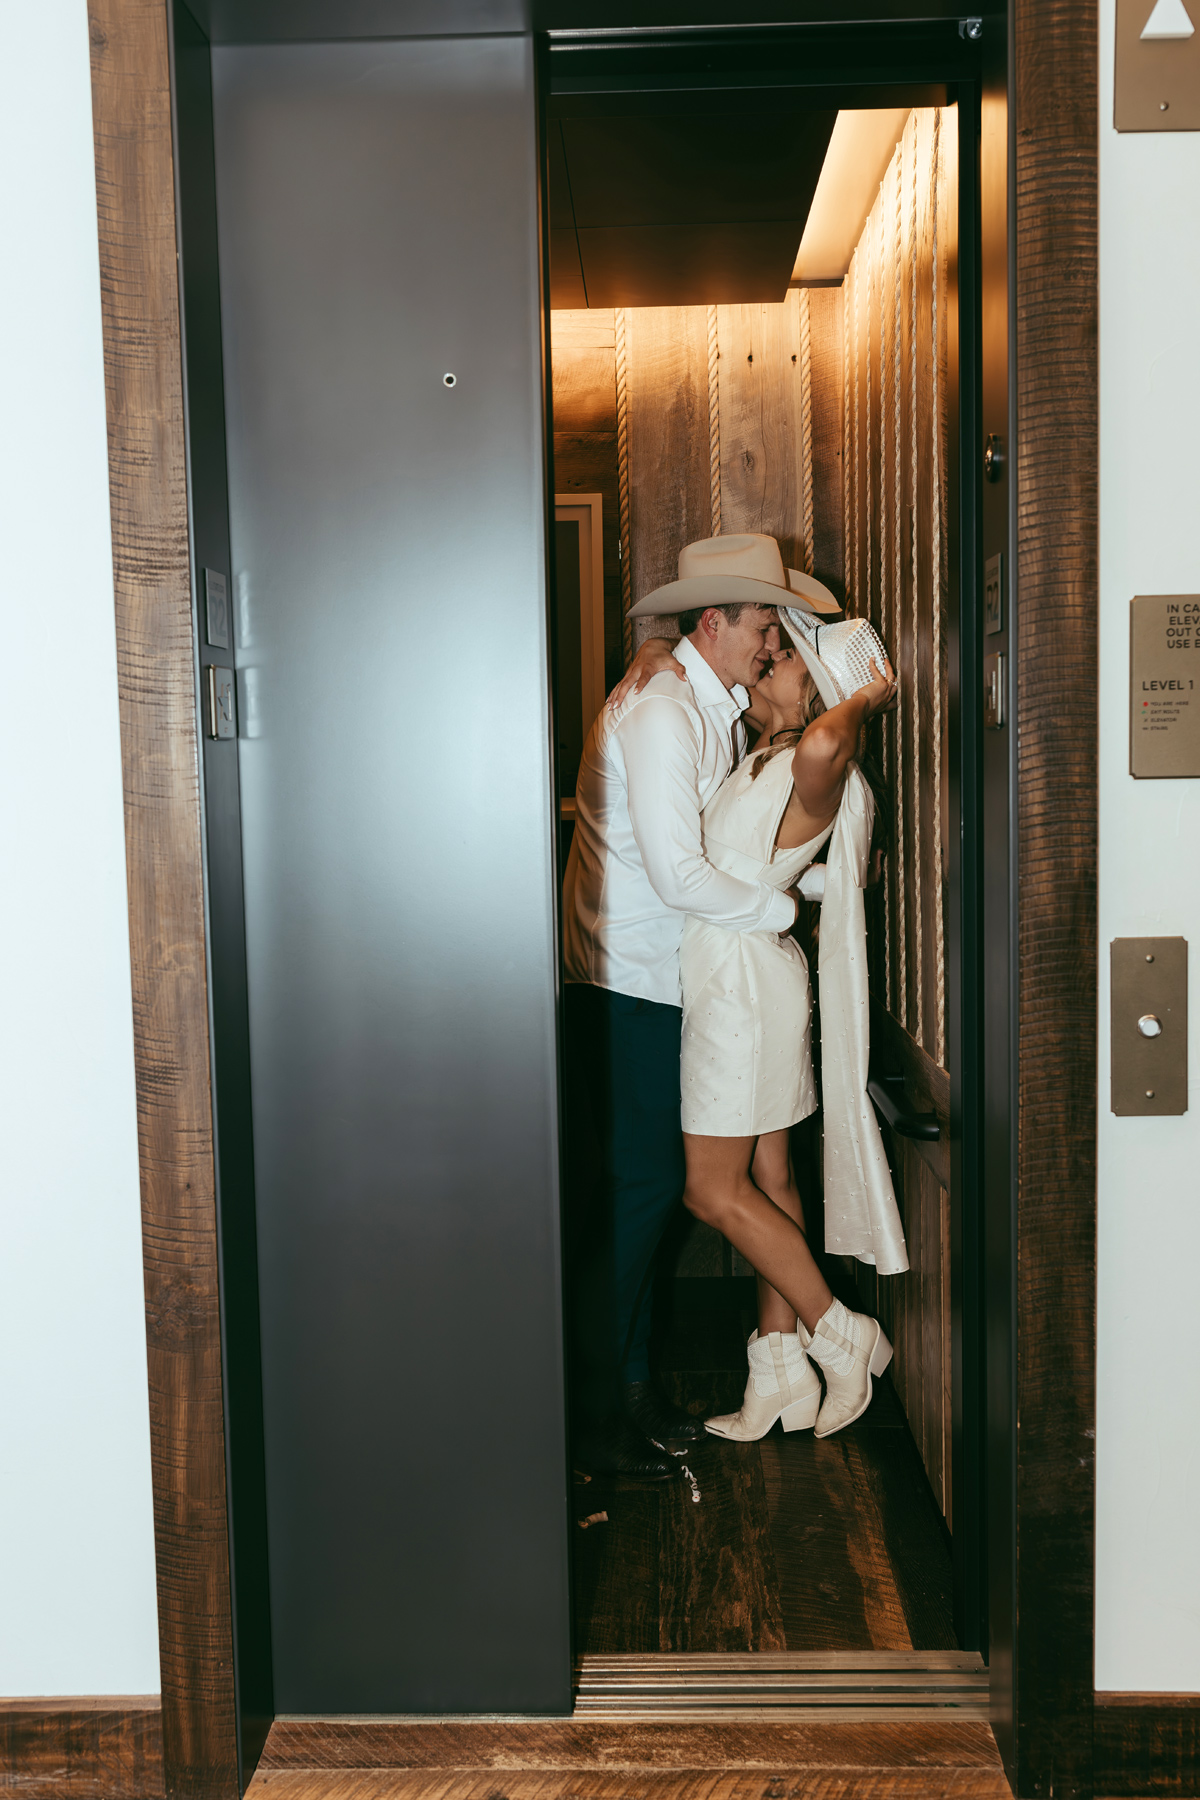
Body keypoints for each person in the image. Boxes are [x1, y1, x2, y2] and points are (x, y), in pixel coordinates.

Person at [561, 533, 839, 1478]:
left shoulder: (703, 704)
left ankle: (629, 1394)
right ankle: (593, 1413)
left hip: (669, 985)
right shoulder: (666, 714)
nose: (771, 643)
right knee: (642, 1194)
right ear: (713, 622)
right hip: (628, 984)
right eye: (764, 623)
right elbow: (681, 874)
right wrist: (780, 910)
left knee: (646, 1197)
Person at [620, 612, 908, 1442]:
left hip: (741, 988)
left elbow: (827, 748)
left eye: (780, 663)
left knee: (710, 1189)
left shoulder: (814, 761)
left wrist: (864, 698)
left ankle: (840, 1332)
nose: (763, 668)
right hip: (747, 974)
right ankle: (779, 1371)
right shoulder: (765, 756)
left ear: (815, 693)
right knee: (772, 1177)